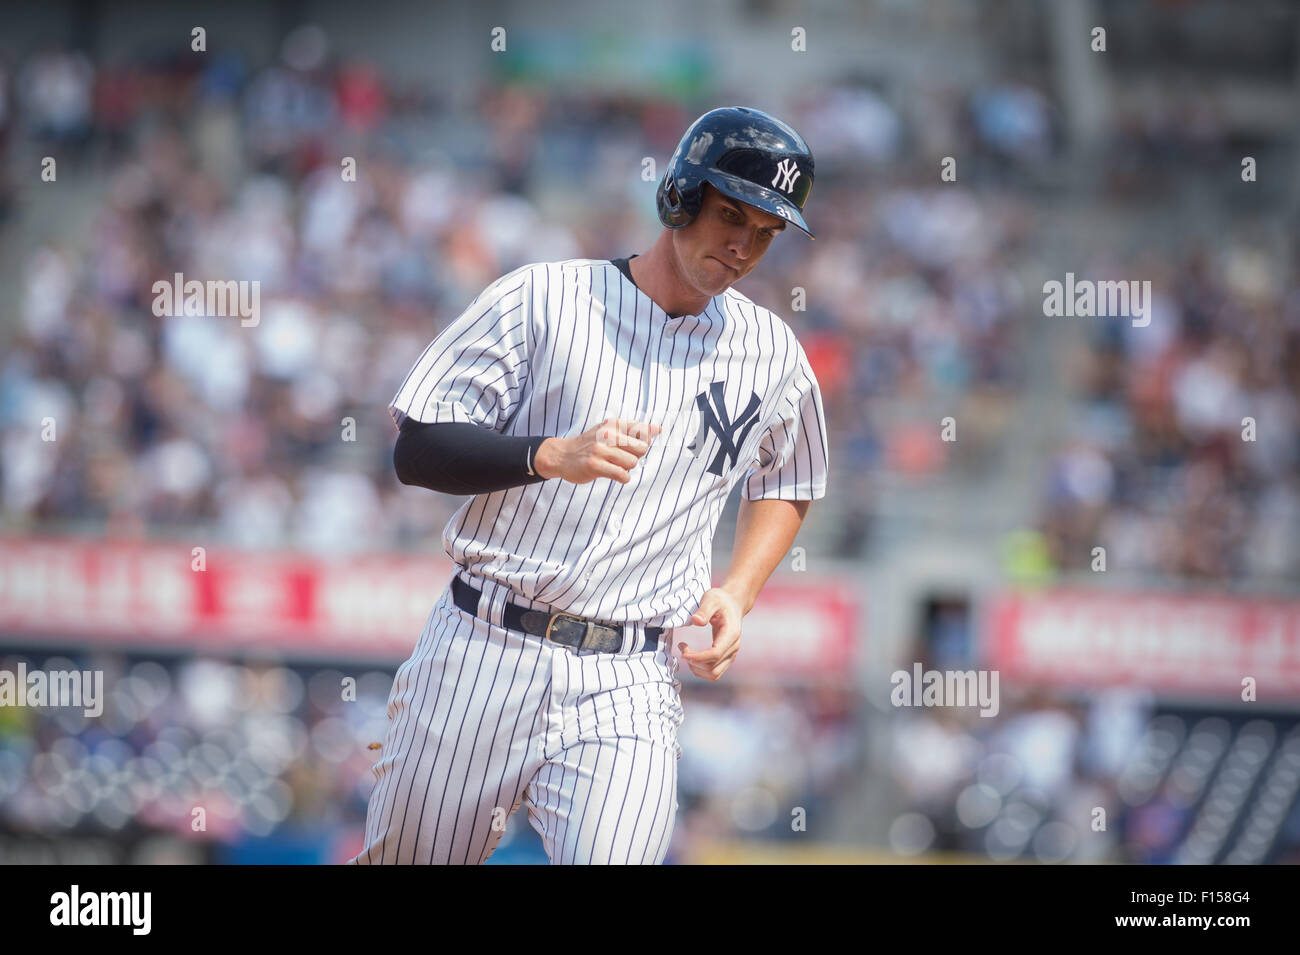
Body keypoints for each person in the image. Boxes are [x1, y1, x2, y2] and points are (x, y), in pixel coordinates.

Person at [349, 106, 828, 865]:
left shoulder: (770, 353)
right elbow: (418, 449)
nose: (743, 244)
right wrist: (546, 455)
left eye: (766, 231)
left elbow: (792, 476)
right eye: (731, 213)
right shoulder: (545, 298)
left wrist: (739, 590)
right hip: (483, 644)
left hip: (630, 674)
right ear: (679, 197)